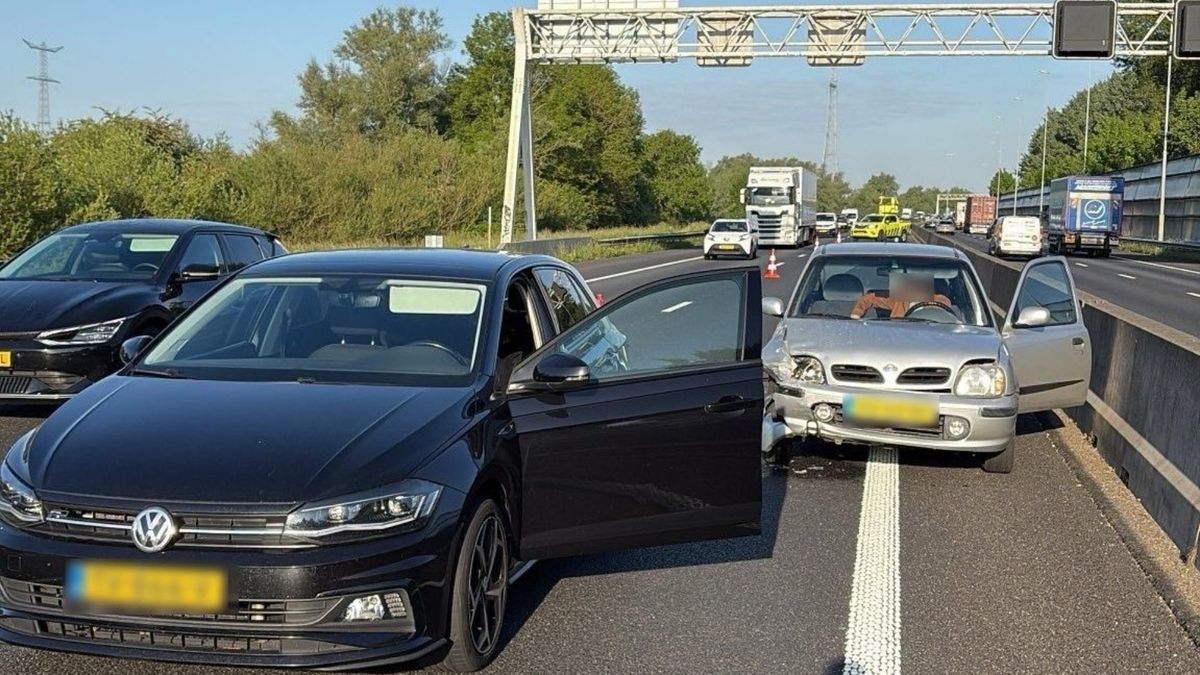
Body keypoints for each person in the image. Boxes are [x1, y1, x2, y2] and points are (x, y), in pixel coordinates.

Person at [850, 272, 953, 319]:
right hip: (897, 336)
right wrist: (857, 313)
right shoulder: (900, 299)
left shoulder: (940, 300)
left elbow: (943, 315)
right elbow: (870, 298)